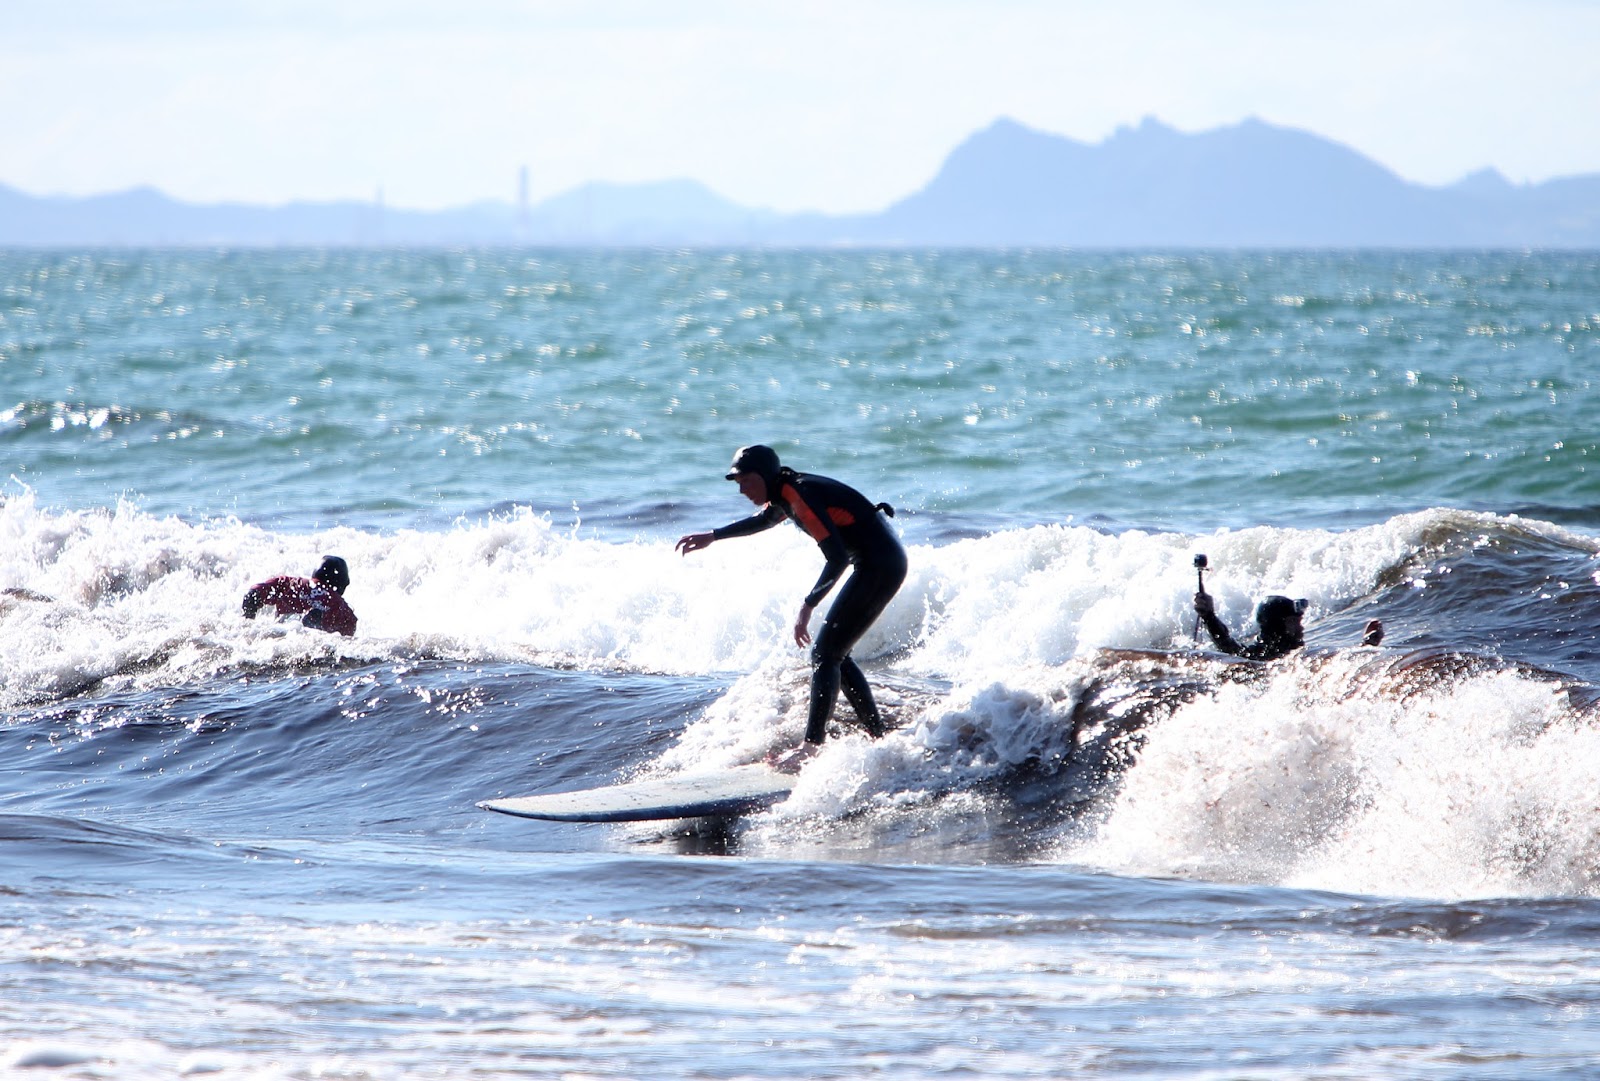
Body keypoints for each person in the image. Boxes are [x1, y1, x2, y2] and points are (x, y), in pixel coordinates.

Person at [676, 445, 907, 760]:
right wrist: (714, 536)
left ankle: (810, 748)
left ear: (765, 476)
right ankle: (878, 736)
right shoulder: (787, 491)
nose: (742, 489)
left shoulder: (799, 495)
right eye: (737, 483)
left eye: (747, 481)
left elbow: (837, 558)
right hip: (879, 562)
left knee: (825, 654)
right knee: (836, 654)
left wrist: (808, 604)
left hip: (880, 565)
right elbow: (766, 520)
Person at [1193, 591, 1383, 660]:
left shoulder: (1297, 653)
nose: (1301, 629)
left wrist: (1366, 646)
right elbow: (1227, 645)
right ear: (1276, 625)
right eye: (1294, 622)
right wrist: (1209, 617)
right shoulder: (1259, 655)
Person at [242, 555, 358, 636]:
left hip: (276, 637)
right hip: (307, 646)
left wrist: (248, 626)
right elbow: (346, 642)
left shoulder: (288, 583)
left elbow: (251, 595)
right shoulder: (343, 609)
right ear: (342, 584)